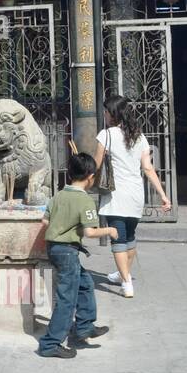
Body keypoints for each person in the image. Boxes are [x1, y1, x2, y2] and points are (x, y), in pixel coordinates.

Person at [36, 152, 116, 359]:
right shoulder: (85, 201)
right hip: (68, 251)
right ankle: (50, 343)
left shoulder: (58, 195)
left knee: (85, 283)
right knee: (66, 298)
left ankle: (84, 326)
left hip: (54, 248)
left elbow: (45, 222)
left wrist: (64, 226)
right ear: (90, 176)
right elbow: (90, 232)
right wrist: (109, 231)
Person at [94, 94, 171, 299]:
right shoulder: (140, 136)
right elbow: (148, 168)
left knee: (117, 238)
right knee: (130, 237)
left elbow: (96, 164)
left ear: (112, 113)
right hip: (136, 193)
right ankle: (122, 274)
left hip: (116, 194)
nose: (104, 113)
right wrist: (163, 195)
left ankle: (127, 283)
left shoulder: (106, 135)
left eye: (106, 110)